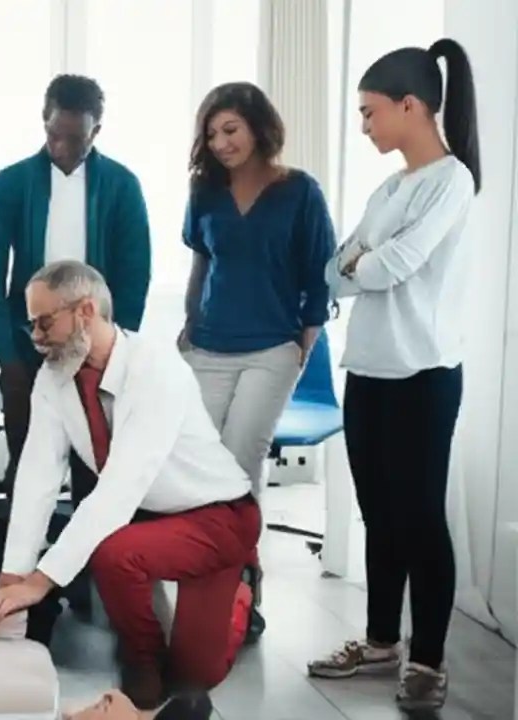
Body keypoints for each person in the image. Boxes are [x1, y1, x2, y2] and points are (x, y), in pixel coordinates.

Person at [0, 261, 259, 712]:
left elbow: (120, 488)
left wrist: (40, 583)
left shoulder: (155, 368)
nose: (35, 336)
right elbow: (37, 477)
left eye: (45, 322)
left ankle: (241, 591)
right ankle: (145, 665)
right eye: (31, 323)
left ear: (86, 311)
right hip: (149, 518)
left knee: (196, 675)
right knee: (119, 557)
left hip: (217, 515)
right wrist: (12, 580)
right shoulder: (55, 377)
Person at [307, 39, 480, 713]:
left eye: (369, 112)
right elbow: (337, 272)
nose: (364, 125)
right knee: (380, 516)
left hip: (423, 375)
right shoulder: (390, 187)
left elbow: (387, 267)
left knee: (419, 520)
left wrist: (363, 260)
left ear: (410, 106)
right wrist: (362, 261)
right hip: (369, 372)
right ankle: (381, 643)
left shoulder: (452, 181)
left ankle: (429, 661)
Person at [178, 81, 336, 637]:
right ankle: (211, 574)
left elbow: (321, 270)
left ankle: (243, 582)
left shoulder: (300, 192)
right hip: (208, 347)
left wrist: (305, 342)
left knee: (239, 465)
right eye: (211, 133)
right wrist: (189, 327)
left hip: (273, 349)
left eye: (230, 130)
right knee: (200, 469)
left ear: (258, 127)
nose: (220, 143)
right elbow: (201, 265)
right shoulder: (205, 191)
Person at [0, 73, 151, 500]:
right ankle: (18, 561)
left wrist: (114, 351)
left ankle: (88, 562)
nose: (62, 148)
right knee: (29, 466)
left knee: (94, 466)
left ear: (97, 131)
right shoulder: (13, 183)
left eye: (76, 138)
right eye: (54, 134)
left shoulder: (122, 187)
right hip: (27, 343)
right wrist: (7, 354)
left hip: (95, 345)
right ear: (43, 121)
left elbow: (134, 278)